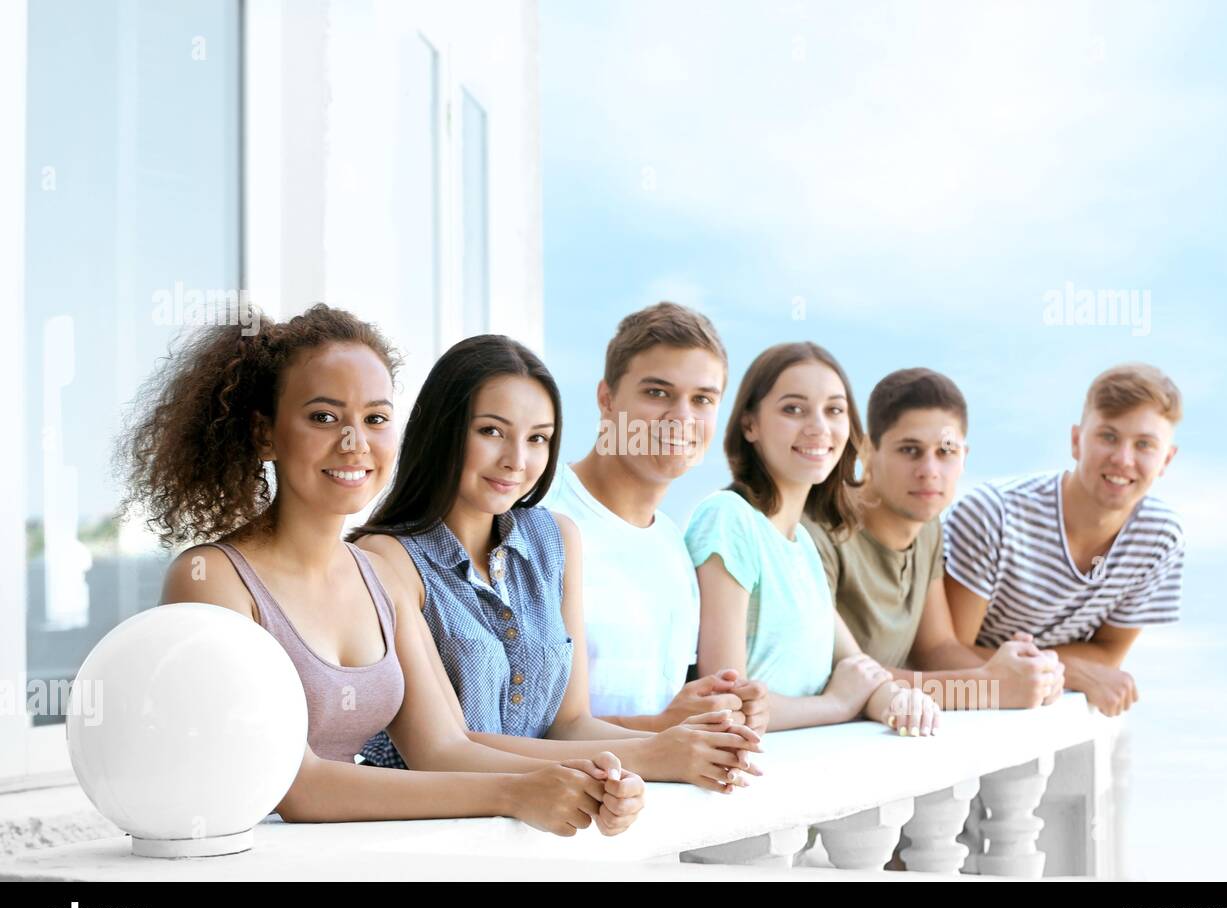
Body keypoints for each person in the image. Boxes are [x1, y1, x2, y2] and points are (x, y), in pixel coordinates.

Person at [120, 303, 642, 835]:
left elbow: (444, 749)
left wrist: (585, 779)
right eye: (324, 417)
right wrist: (515, 792)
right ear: (264, 434)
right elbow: (297, 787)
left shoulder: (378, 574)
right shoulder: (212, 579)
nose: (355, 443)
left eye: (375, 419)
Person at [352, 333, 763, 793]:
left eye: (538, 439)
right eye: (491, 431)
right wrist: (652, 753)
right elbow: (441, 752)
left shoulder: (556, 539)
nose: (517, 460)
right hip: (434, 833)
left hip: (552, 818)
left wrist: (687, 742)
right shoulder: (386, 560)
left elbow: (569, 724)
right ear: (444, 429)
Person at [687, 342, 941, 736]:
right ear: (750, 424)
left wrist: (901, 701)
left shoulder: (802, 544)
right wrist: (836, 704)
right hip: (743, 782)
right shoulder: (727, 519)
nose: (818, 427)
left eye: (834, 410)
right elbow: (728, 703)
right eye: (793, 409)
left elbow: (858, 670)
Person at [541, 302, 769, 734]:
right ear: (606, 399)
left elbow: (673, 706)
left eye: (702, 399)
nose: (681, 418)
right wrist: (660, 728)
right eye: (657, 393)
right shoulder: (540, 515)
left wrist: (728, 708)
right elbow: (510, 726)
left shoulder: (672, 544)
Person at [803, 368, 1064, 710]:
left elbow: (936, 648)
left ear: (964, 458)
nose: (929, 470)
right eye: (910, 450)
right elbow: (833, 678)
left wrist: (1028, 674)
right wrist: (985, 687)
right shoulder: (817, 531)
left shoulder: (927, 526)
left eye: (946, 452)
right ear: (867, 452)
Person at [944, 363, 1185, 717]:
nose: (1123, 459)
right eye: (1108, 436)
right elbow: (947, 654)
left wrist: (1045, 670)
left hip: (1036, 709)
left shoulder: (1159, 537)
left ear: (1166, 459)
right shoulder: (993, 514)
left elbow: (1108, 655)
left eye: (1145, 444)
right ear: (1076, 441)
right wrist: (1074, 671)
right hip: (957, 711)